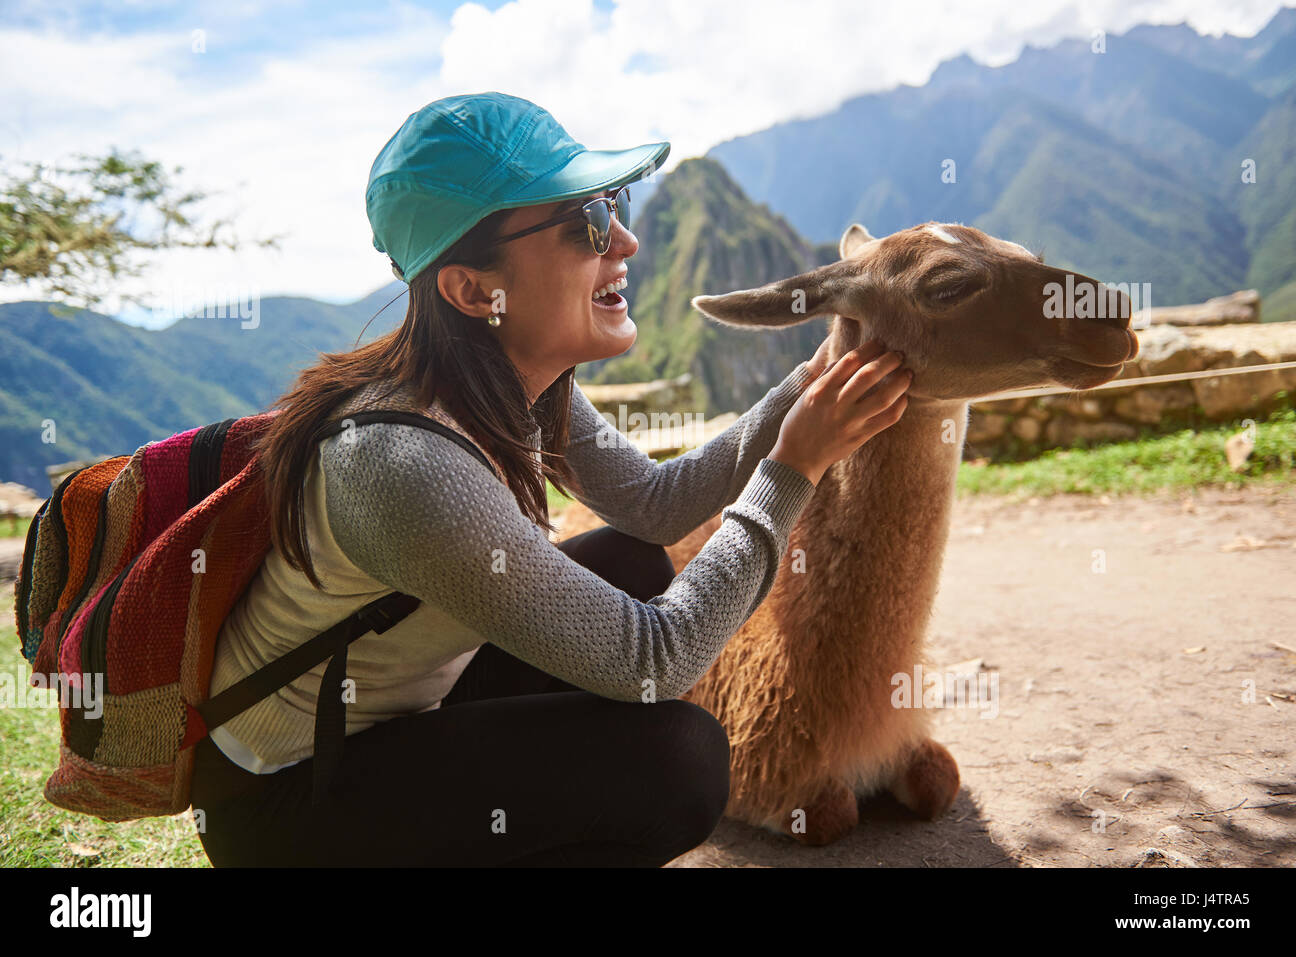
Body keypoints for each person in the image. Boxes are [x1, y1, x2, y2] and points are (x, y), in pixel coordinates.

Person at [188, 91, 913, 867]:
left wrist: (808, 381)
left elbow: (654, 505)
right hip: (289, 799)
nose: (626, 241)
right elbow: (653, 662)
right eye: (588, 224)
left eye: (613, 205)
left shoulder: (518, 382)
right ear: (472, 290)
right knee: (679, 761)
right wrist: (792, 468)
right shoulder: (407, 464)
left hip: (405, 705)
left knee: (635, 559)